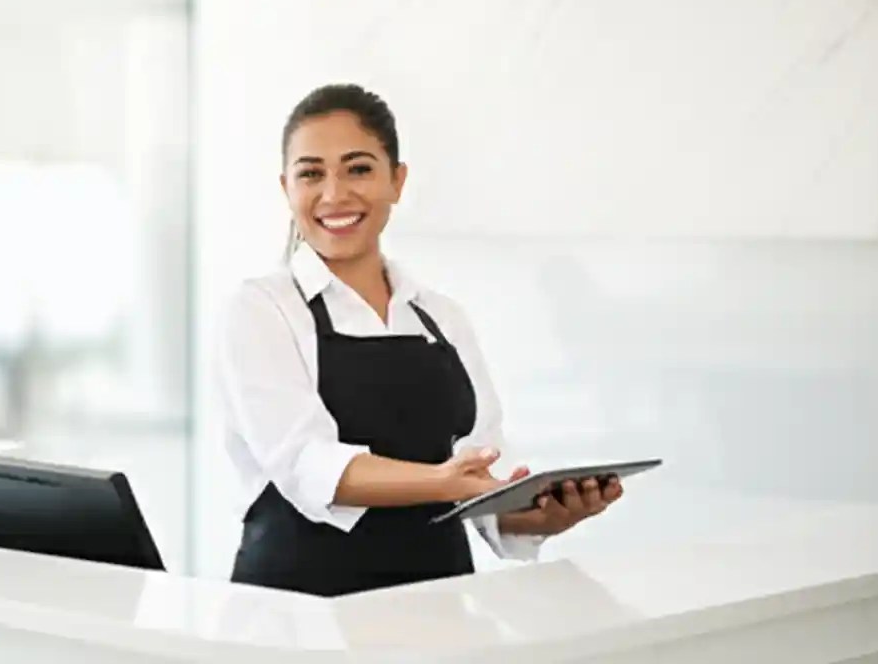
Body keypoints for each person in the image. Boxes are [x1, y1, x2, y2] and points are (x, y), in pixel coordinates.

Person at [216, 84, 623, 597]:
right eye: (311, 173)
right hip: (298, 613)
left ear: (397, 180)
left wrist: (543, 513)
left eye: (358, 168)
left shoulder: (441, 317)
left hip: (437, 608)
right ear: (286, 187)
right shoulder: (260, 309)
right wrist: (443, 483)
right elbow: (306, 465)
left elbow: (480, 479)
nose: (334, 193)